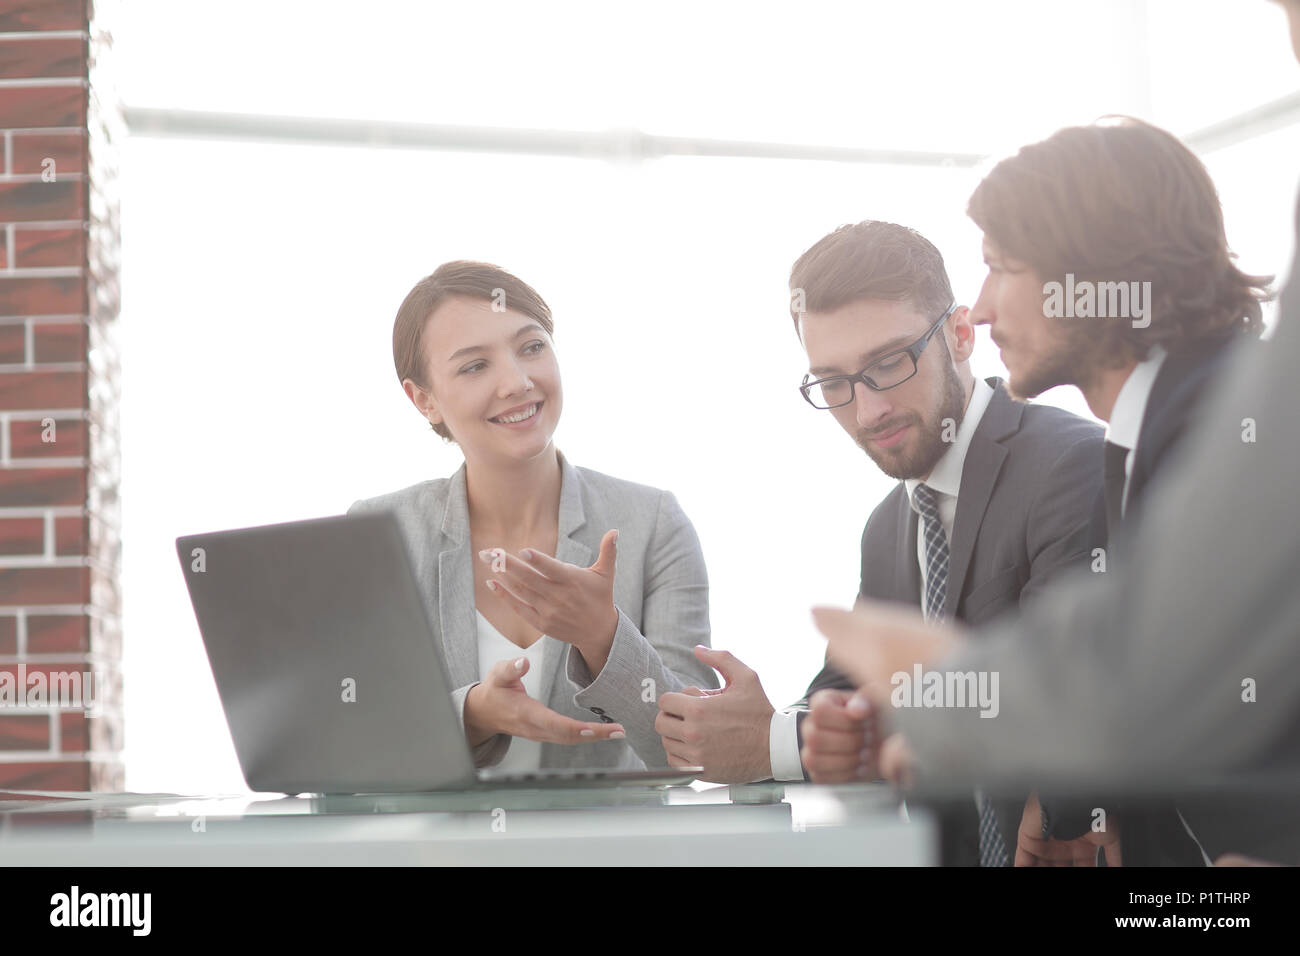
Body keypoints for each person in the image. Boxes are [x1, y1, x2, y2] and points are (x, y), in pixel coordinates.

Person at [814, 0, 1300, 864]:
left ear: (1098, 271)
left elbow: (1170, 671)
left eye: (1002, 266)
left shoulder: (1226, 430)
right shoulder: (1159, 429)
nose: (982, 308)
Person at [653, 221, 1102, 866]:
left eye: (888, 364)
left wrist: (775, 741)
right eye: (834, 383)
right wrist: (788, 720)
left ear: (960, 334)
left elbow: (1061, 695)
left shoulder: (1068, 465)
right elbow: (846, 690)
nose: (867, 412)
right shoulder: (890, 523)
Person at [349, 260, 717, 772]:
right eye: (475, 366)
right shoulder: (379, 533)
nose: (518, 382)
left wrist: (603, 637)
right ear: (424, 400)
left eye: (531, 347)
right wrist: (471, 715)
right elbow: (352, 733)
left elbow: (693, 748)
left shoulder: (654, 523)